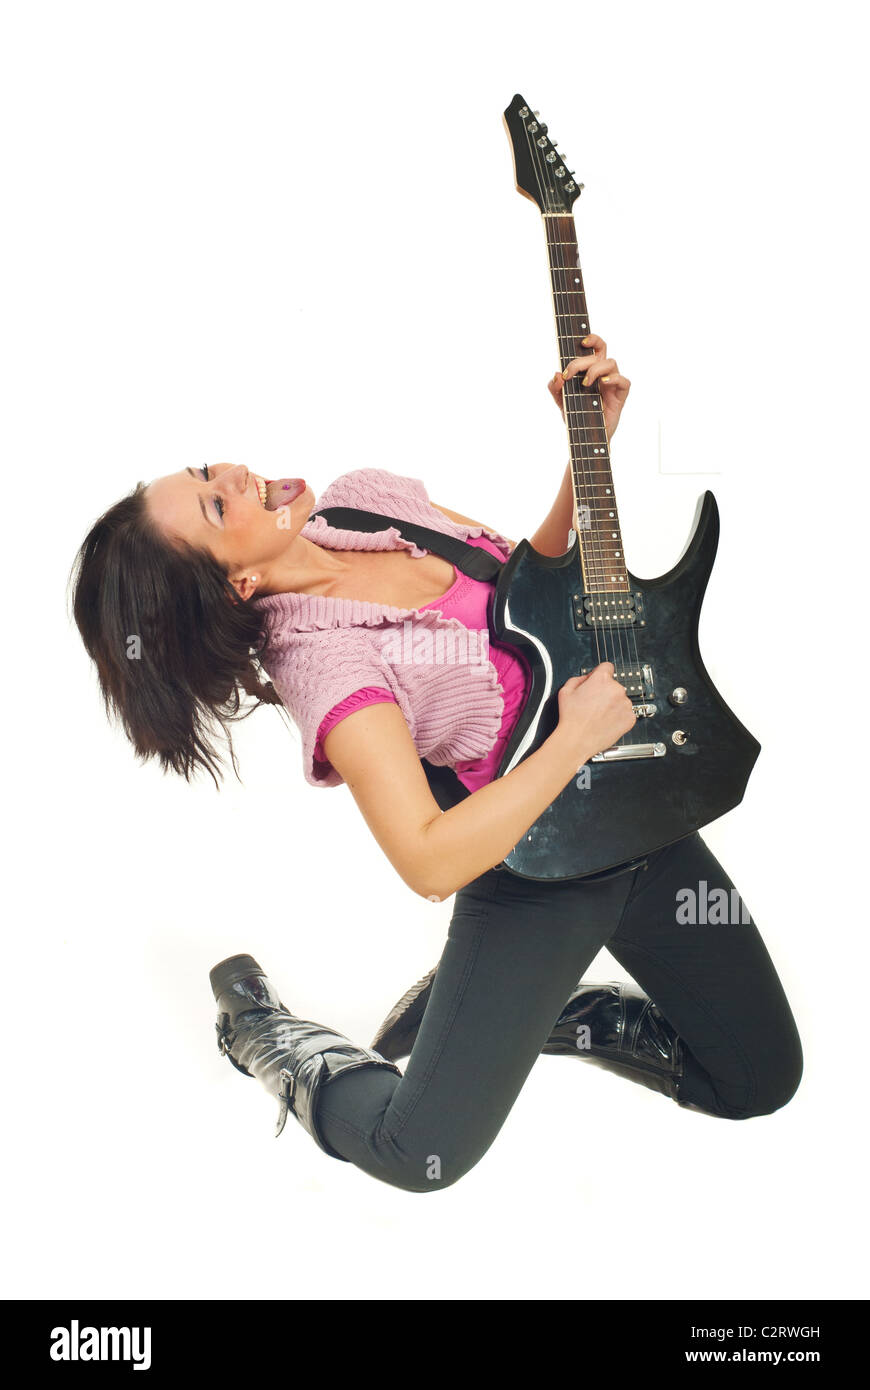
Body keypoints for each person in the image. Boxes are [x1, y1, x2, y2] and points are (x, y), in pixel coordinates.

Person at [69, 334, 803, 1194]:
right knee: (419, 1153)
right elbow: (427, 857)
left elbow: (528, 593)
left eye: (205, 472)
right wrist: (572, 740)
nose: (231, 476)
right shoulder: (323, 660)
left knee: (759, 1080)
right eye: (217, 510)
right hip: (540, 862)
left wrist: (586, 450)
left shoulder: (362, 503)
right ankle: (269, 1039)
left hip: (639, 805)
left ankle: (575, 1016)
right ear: (234, 586)